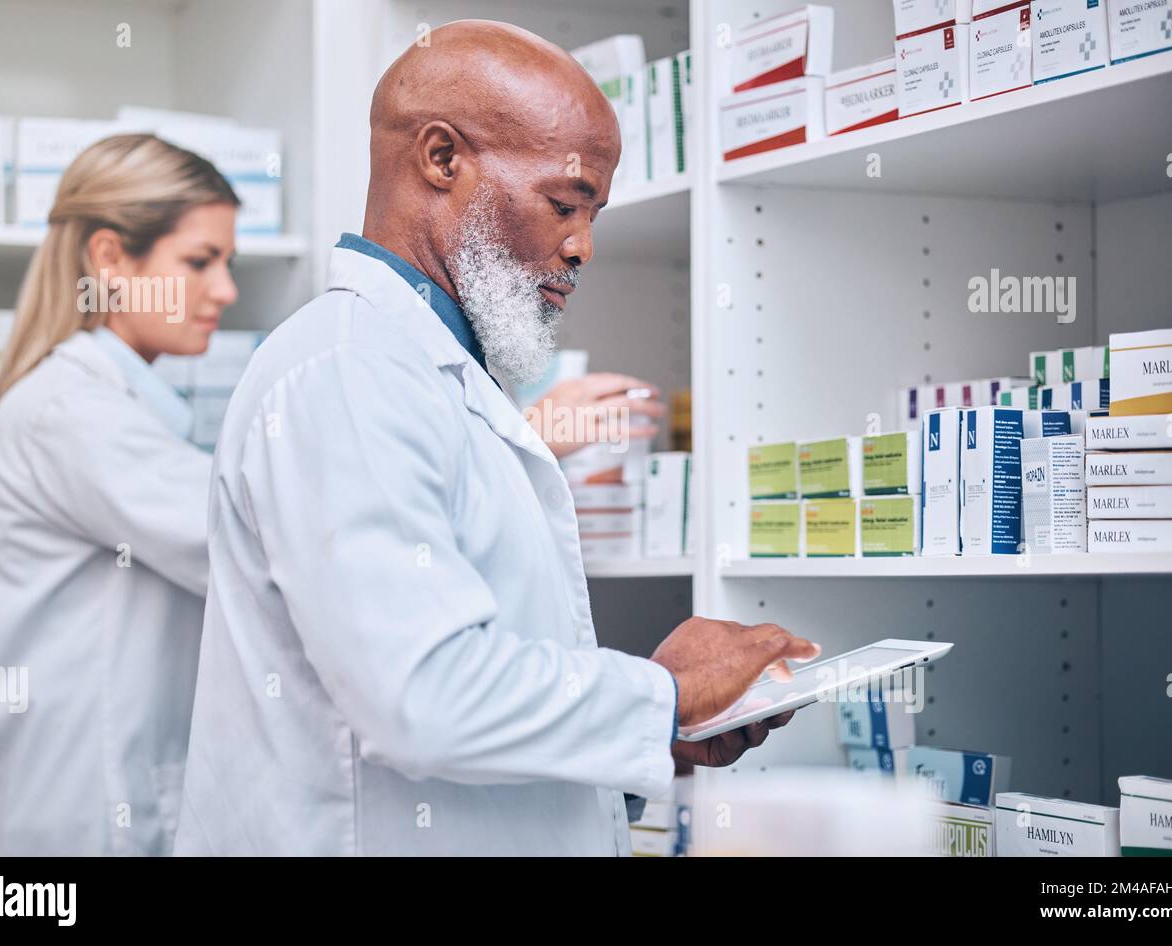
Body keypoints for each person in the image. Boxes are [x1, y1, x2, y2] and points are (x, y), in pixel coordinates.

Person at [175, 20, 818, 856]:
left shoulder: (436, 376)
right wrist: (660, 694)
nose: (582, 246)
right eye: (564, 203)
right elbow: (422, 697)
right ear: (442, 160)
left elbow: (476, 697)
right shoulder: (344, 371)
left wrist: (651, 737)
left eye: (593, 213)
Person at [0, 134, 240, 855]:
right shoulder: (72, 415)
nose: (225, 290)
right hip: (72, 826)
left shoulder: (104, 404)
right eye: (200, 262)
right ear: (109, 259)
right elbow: (250, 534)